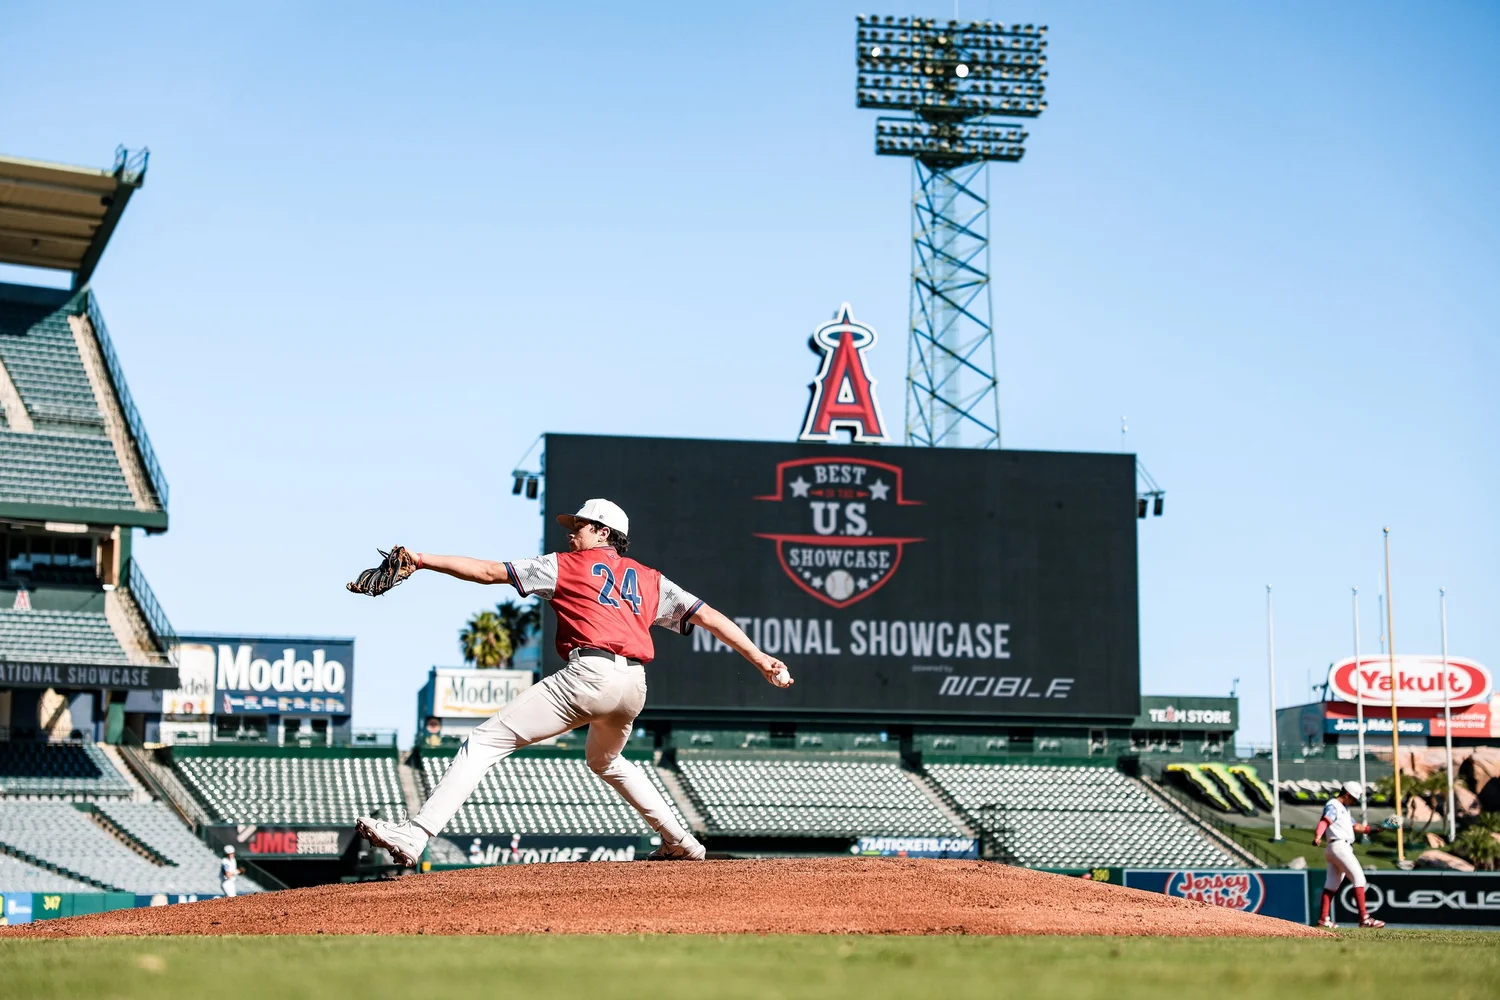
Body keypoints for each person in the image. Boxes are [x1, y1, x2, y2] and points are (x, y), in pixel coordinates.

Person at [354, 498, 793, 865]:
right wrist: (760, 658)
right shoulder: (650, 578)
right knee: (606, 760)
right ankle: (680, 841)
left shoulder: (564, 565)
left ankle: (416, 833)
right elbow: (709, 616)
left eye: (580, 526)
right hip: (633, 686)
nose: (571, 532)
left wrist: (422, 560)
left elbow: (488, 572)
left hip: (590, 675)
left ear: (603, 533)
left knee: (486, 741)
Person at [1313, 780, 1384, 928]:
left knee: (1331, 884)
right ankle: (1364, 918)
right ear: (1346, 794)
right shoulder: (1334, 805)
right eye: (1353, 799)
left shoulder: (1343, 809)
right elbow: (1325, 821)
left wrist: (1378, 828)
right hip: (1340, 846)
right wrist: (1318, 835)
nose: (1354, 802)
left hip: (1335, 847)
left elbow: (1357, 827)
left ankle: (1323, 919)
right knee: (1359, 879)